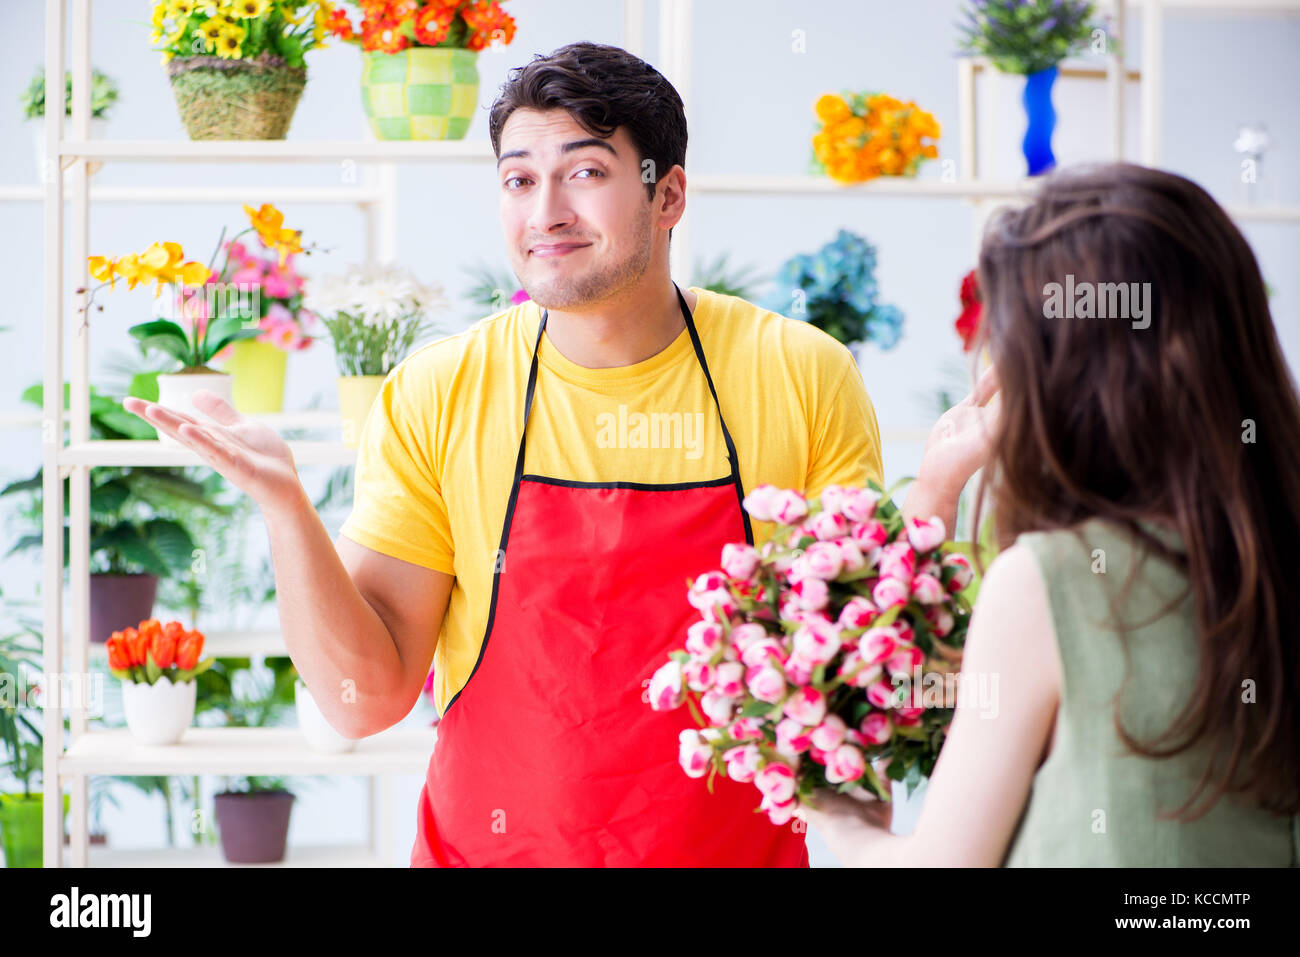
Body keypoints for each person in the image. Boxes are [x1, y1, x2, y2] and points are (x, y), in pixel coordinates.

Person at [122, 41, 975, 867]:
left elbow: (864, 679)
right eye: (520, 180)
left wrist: (939, 489)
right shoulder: (441, 388)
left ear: (668, 193)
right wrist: (286, 508)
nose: (546, 214)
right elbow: (363, 699)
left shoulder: (797, 372)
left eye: (587, 172)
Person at [803, 163, 1300, 867]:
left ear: (1063, 372)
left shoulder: (1051, 580)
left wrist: (841, 817)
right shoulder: (1267, 551)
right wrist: (941, 489)